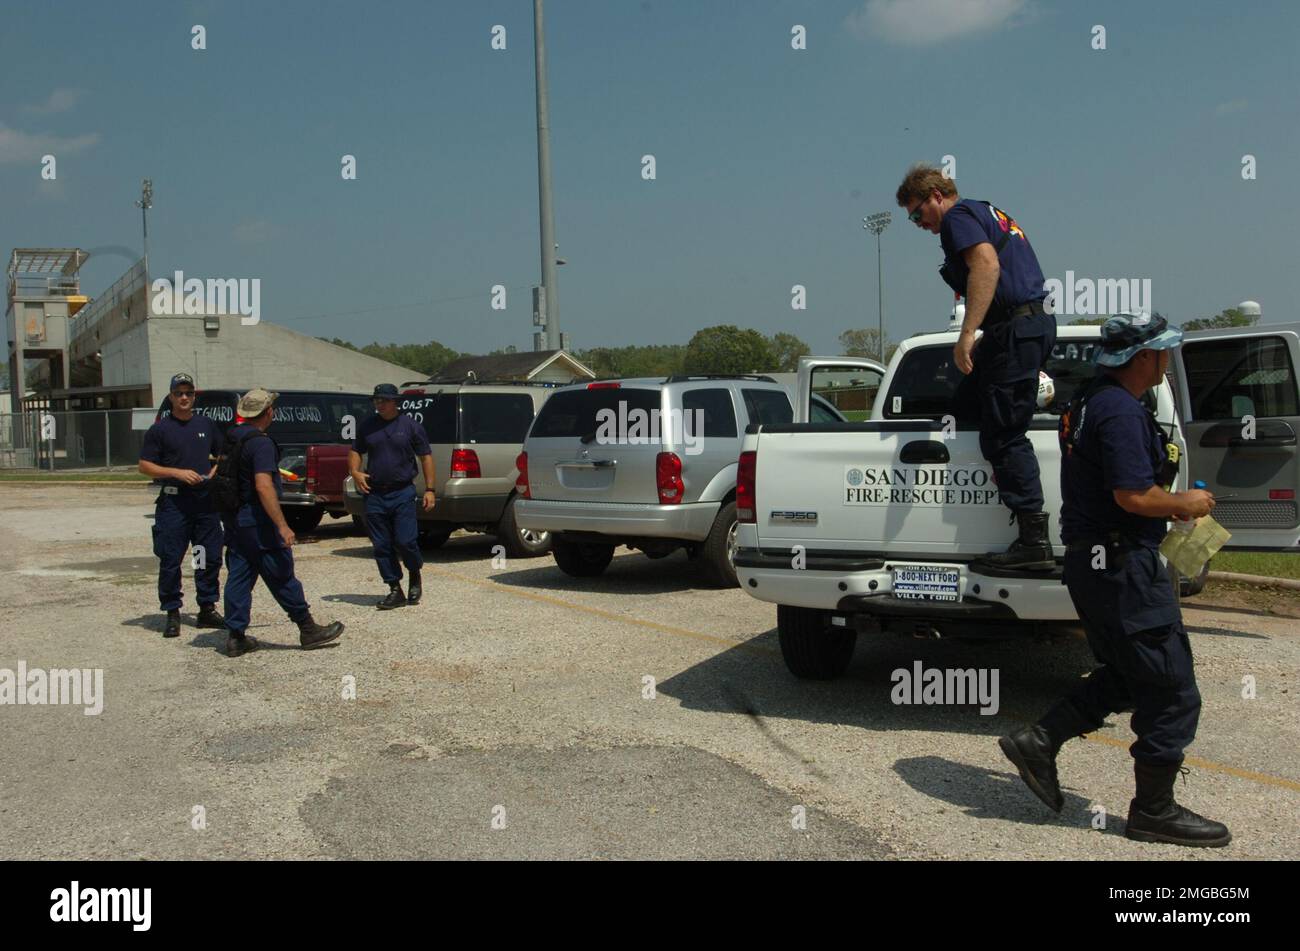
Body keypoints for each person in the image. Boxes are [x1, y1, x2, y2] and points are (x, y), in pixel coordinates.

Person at [998, 314, 1229, 847]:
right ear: (1143, 358)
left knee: (1128, 674)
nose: (1168, 361)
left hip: (1098, 565)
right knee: (1172, 691)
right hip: (1123, 569)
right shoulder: (1119, 411)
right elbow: (1132, 496)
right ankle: (1153, 811)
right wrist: (1183, 503)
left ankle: (1038, 740)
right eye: (1163, 352)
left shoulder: (1089, 403)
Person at [896, 164, 1057, 569]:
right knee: (963, 408)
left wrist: (967, 333)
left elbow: (986, 266)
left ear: (936, 195)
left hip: (1015, 330)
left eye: (917, 214)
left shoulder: (958, 217)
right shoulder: (984, 211)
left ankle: (1033, 541)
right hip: (1020, 328)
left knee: (1003, 434)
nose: (918, 224)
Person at [220, 388, 345, 657]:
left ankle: (235, 636)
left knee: (239, 577)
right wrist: (282, 525)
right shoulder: (261, 443)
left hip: (235, 521)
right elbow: (264, 486)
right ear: (268, 413)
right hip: (258, 521)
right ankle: (307, 628)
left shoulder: (231, 438)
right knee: (281, 573)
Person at [137, 372, 225, 638]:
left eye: (188, 393)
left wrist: (214, 472)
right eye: (179, 393)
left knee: (206, 557)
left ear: (194, 396)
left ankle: (206, 608)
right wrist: (176, 472)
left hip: (204, 503)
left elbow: (223, 454)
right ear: (171, 397)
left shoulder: (207, 425)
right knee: (171, 558)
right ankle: (173, 611)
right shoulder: (161, 429)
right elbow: (144, 466)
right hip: (175, 503)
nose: (184, 397)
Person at [349, 383, 436, 610]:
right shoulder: (368, 426)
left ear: (394, 402)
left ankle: (414, 574)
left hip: (402, 491)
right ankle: (394, 588)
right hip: (375, 493)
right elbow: (356, 450)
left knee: (406, 541)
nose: (379, 404)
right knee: (381, 544)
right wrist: (355, 472)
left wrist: (430, 489)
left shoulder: (410, 426)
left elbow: (426, 456)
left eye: (384, 400)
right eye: (377, 400)